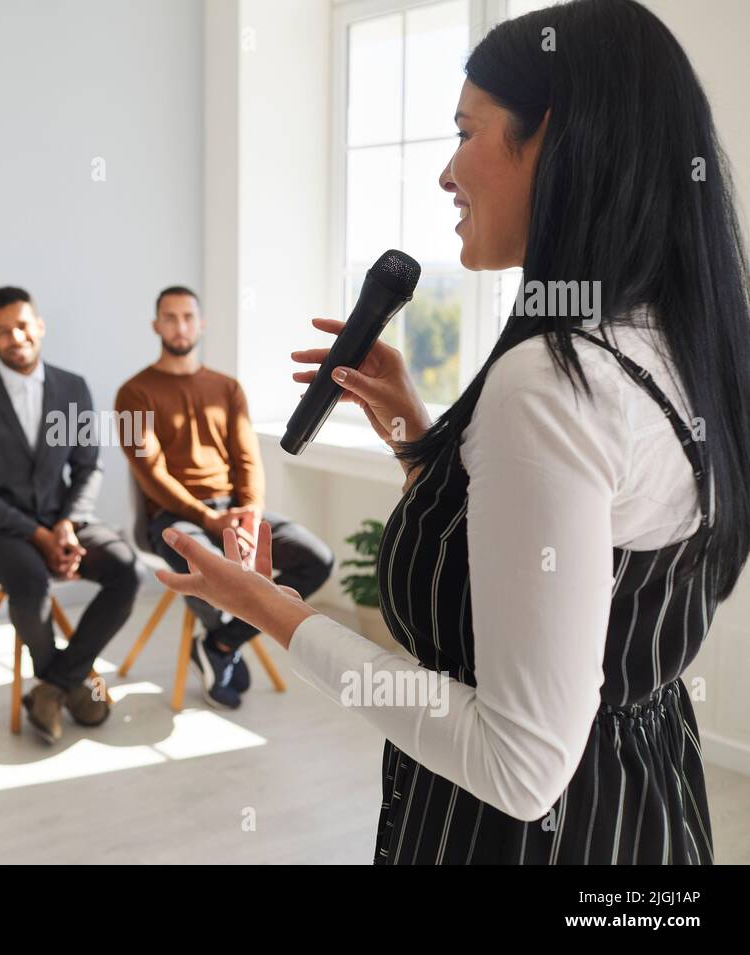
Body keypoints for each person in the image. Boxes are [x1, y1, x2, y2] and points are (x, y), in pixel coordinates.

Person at [154, 0, 750, 864]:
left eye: (466, 130)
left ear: (550, 138)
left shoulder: (553, 380)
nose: (445, 172)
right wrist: (413, 433)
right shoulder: (684, 341)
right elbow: (553, 557)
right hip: (645, 806)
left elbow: (520, 764)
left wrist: (267, 608)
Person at [115, 286, 334, 709]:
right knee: (198, 553)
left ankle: (218, 645)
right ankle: (227, 636)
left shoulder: (227, 388)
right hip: (171, 516)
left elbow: (247, 458)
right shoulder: (132, 393)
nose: (180, 326)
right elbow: (151, 474)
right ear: (156, 325)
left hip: (232, 511)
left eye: (188, 317)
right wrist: (207, 519)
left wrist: (249, 514)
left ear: (201, 323)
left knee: (316, 558)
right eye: (170, 317)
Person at [0, 286, 141, 743]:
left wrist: (67, 526)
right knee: (30, 579)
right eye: (2, 330)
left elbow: (88, 466)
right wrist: (38, 535)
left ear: (39, 326)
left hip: (64, 520)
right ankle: (65, 680)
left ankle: (55, 685)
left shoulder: (72, 387)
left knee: (127, 570)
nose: (15, 336)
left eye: (22, 324)